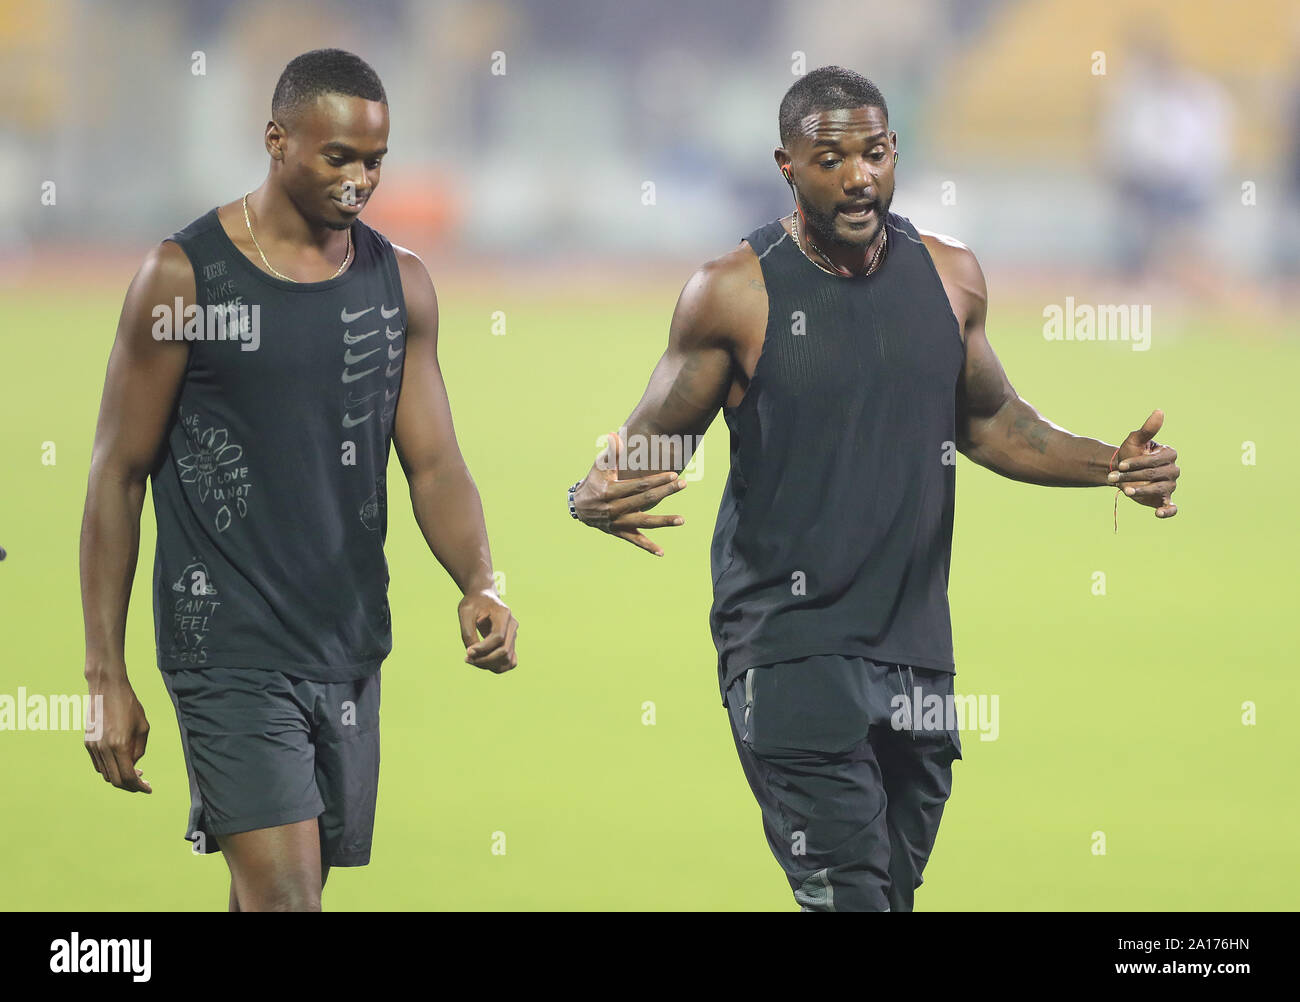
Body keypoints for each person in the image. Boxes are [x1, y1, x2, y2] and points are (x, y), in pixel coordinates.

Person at [569, 65, 1179, 911]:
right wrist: (590, 494)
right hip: (790, 649)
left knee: (888, 895)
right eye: (831, 160)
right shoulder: (733, 293)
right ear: (787, 166)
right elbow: (649, 445)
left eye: (875, 154)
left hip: (917, 655)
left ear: (895, 151)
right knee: (854, 896)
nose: (859, 176)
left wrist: (1114, 463)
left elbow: (992, 421)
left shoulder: (950, 278)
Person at [79, 48, 518, 912]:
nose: (360, 181)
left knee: (283, 893)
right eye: (338, 157)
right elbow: (116, 474)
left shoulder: (401, 284)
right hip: (227, 646)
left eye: (375, 161)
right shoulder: (183, 279)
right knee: (287, 900)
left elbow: (434, 464)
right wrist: (105, 673)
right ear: (276, 140)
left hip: (347, 643)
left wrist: (480, 581)